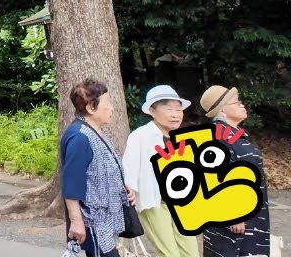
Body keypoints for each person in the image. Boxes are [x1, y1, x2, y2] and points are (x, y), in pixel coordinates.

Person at [60, 79, 137, 257]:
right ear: (90, 108)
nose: (111, 108)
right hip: (92, 222)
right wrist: (76, 221)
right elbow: (72, 183)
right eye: (107, 103)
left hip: (105, 220)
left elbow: (102, 170)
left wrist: (124, 189)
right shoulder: (79, 137)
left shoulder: (97, 131)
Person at [122, 85, 198, 257]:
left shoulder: (183, 138)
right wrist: (131, 190)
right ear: (152, 111)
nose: (175, 114)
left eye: (179, 109)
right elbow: (129, 168)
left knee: (191, 252)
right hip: (154, 202)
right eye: (169, 109)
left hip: (182, 204)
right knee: (169, 254)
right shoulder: (140, 136)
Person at [199, 85, 269, 257]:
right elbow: (213, 177)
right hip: (233, 224)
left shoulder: (234, 134)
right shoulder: (216, 136)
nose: (242, 105)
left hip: (253, 218)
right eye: (236, 102)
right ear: (222, 111)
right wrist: (232, 214)